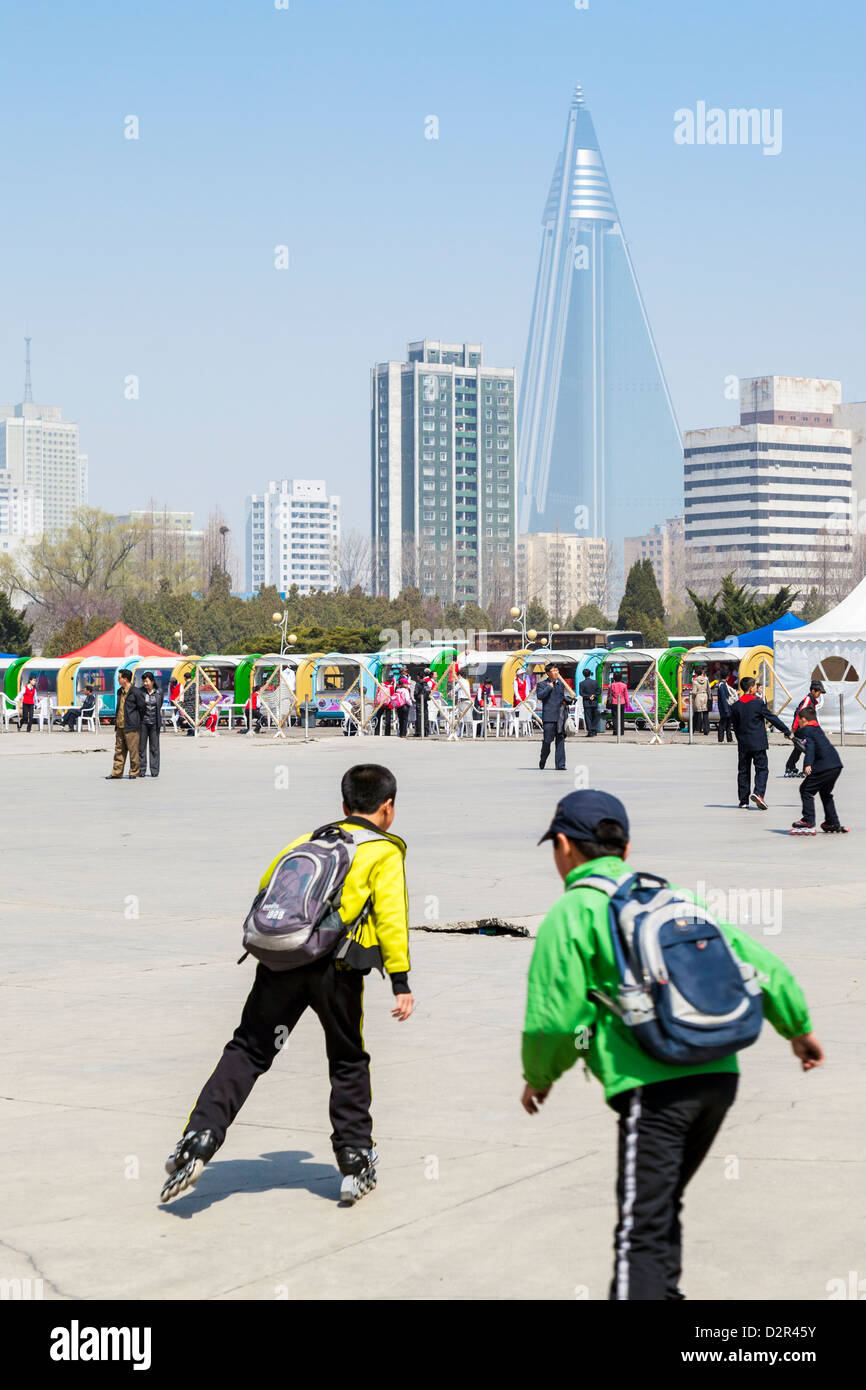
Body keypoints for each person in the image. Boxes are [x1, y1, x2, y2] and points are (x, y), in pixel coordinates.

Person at [520, 788, 823, 1301]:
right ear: (627, 848)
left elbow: (555, 1020)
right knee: (660, 1208)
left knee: (639, 1230)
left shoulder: (572, 912)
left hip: (655, 1086)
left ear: (564, 847)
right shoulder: (675, 896)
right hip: (719, 1072)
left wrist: (540, 1077)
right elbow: (758, 963)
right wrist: (797, 1027)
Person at [159, 764, 413, 1205]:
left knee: (249, 1049)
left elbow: (268, 890)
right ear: (388, 808)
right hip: (337, 969)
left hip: (282, 958)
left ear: (344, 805)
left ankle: (199, 1137)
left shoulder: (309, 840)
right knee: (347, 1058)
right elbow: (392, 917)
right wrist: (400, 979)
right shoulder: (384, 851)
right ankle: (355, 1159)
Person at [729, 676, 791, 810]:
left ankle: (743, 801)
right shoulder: (758, 703)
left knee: (743, 771)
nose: (757, 688)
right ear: (751, 688)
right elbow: (772, 718)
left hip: (743, 744)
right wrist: (786, 731)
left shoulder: (735, 706)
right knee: (762, 769)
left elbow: (735, 725)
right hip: (758, 743)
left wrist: (740, 739)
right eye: (756, 686)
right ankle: (758, 794)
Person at [791, 711, 848, 835]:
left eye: (799, 720)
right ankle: (832, 822)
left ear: (804, 720)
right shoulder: (816, 729)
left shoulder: (807, 730)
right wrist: (794, 736)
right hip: (836, 765)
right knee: (825, 793)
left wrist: (808, 764)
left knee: (806, 790)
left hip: (824, 766)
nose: (798, 723)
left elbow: (810, 746)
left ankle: (808, 820)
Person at [107, 668, 147, 779]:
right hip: (120, 726)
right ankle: (117, 772)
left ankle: (134, 772)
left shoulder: (136, 692)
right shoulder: (120, 691)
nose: (118, 680)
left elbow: (143, 708)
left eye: (119, 678)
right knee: (119, 750)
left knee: (133, 751)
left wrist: (137, 720)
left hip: (132, 727)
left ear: (125, 679)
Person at [536, 663, 575, 771]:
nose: (556, 672)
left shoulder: (560, 684)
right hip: (549, 718)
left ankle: (560, 765)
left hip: (560, 717)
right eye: (554, 671)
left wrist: (566, 701)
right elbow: (540, 696)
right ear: (548, 673)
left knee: (560, 741)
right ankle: (543, 759)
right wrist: (549, 688)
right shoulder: (542, 684)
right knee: (547, 742)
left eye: (557, 670)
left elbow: (561, 697)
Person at [785, 681, 825, 778]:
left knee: (798, 749)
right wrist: (793, 731)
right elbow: (799, 714)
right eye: (819, 692)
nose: (820, 694)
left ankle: (790, 768)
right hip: (801, 730)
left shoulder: (812, 701)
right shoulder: (807, 700)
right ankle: (806, 771)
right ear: (812, 691)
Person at [138, 671, 162, 776]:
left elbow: (159, 706)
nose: (145, 683)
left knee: (154, 748)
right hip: (142, 723)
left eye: (147, 681)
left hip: (154, 724)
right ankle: (141, 770)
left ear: (152, 681)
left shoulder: (159, 692)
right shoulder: (140, 692)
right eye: (143, 681)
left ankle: (154, 770)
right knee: (141, 748)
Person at [578, 669, 601, 738]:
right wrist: (593, 695)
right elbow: (599, 691)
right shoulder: (595, 682)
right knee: (595, 716)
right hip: (594, 702)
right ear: (590, 674)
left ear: (583, 674)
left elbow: (581, 693)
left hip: (586, 702)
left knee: (588, 717)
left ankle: (590, 731)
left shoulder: (582, 683)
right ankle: (594, 730)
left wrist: (588, 697)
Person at [716, 671, 737, 743]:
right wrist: (726, 708)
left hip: (726, 706)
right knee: (723, 723)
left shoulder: (723, 684)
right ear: (727, 677)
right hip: (725, 707)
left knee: (728, 723)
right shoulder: (722, 685)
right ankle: (721, 738)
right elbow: (723, 697)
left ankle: (729, 738)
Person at [608, 670, 628, 737]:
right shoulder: (624, 685)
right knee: (622, 717)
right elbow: (626, 696)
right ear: (621, 677)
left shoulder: (610, 686)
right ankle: (622, 731)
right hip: (622, 703)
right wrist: (627, 704)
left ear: (613, 677)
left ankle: (616, 731)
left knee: (614, 717)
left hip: (614, 702)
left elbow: (608, 695)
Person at [691, 667, 710, 736]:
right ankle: (706, 730)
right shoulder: (706, 680)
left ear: (695, 673)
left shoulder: (695, 681)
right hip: (705, 696)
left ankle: (692, 730)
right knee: (705, 714)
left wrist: (692, 698)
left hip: (698, 697)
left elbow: (694, 691)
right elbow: (708, 689)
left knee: (696, 714)